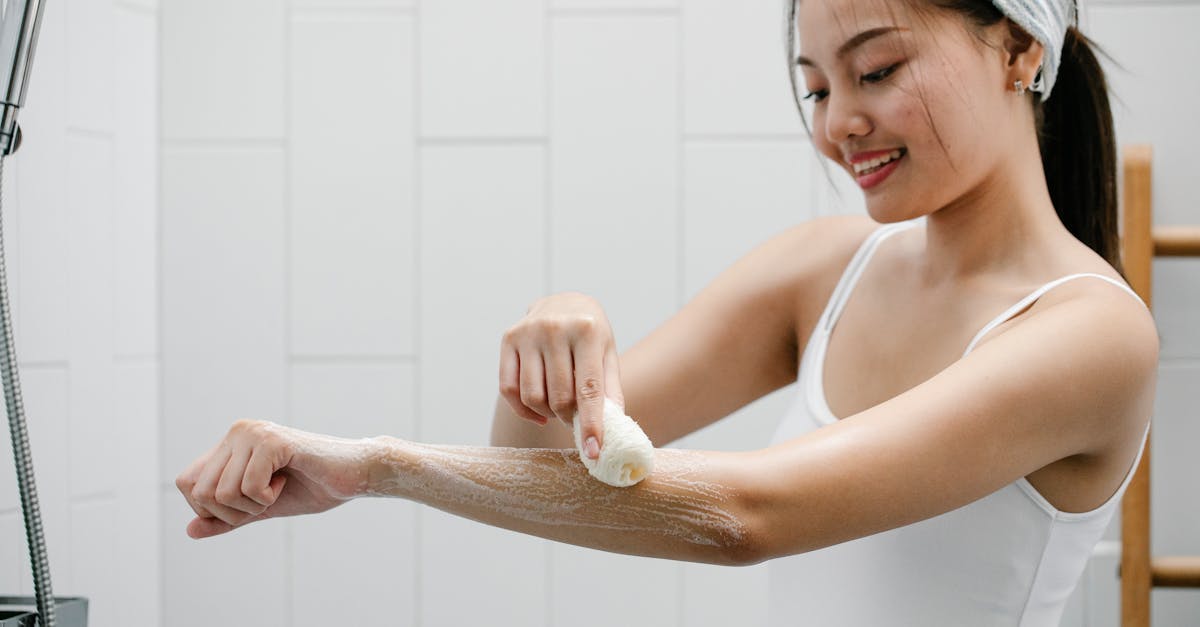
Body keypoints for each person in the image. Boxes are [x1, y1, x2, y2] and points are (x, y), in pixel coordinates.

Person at [175, 0, 1159, 623]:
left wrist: (378, 465)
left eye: (878, 69)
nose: (837, 123)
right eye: (816, 86)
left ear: (1020, 47)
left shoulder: (1089, 336)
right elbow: (534, 470)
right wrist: (561, 340)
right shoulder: (825, 271)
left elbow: (745, 516)